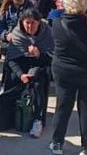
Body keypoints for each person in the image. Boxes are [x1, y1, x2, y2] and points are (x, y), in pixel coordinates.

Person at [49, 0, 87, 155]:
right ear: (84, 6)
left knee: (63, 106)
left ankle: (57, 143)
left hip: (62, 70)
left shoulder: (57, 23)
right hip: (86, 72)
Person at [6, 9, 54, 138]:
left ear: (39, 22)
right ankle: (13, 114)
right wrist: (20, 74)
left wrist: (39, 55)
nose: (30, 26)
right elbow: (11, 59)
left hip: (40, 65)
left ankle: (38, 119)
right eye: (27, 22)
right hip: (21, 66)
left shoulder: (47, 33)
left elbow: (53, 57)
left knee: (38, 83)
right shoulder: (17, 34)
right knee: (11, 77)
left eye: (33, 23)